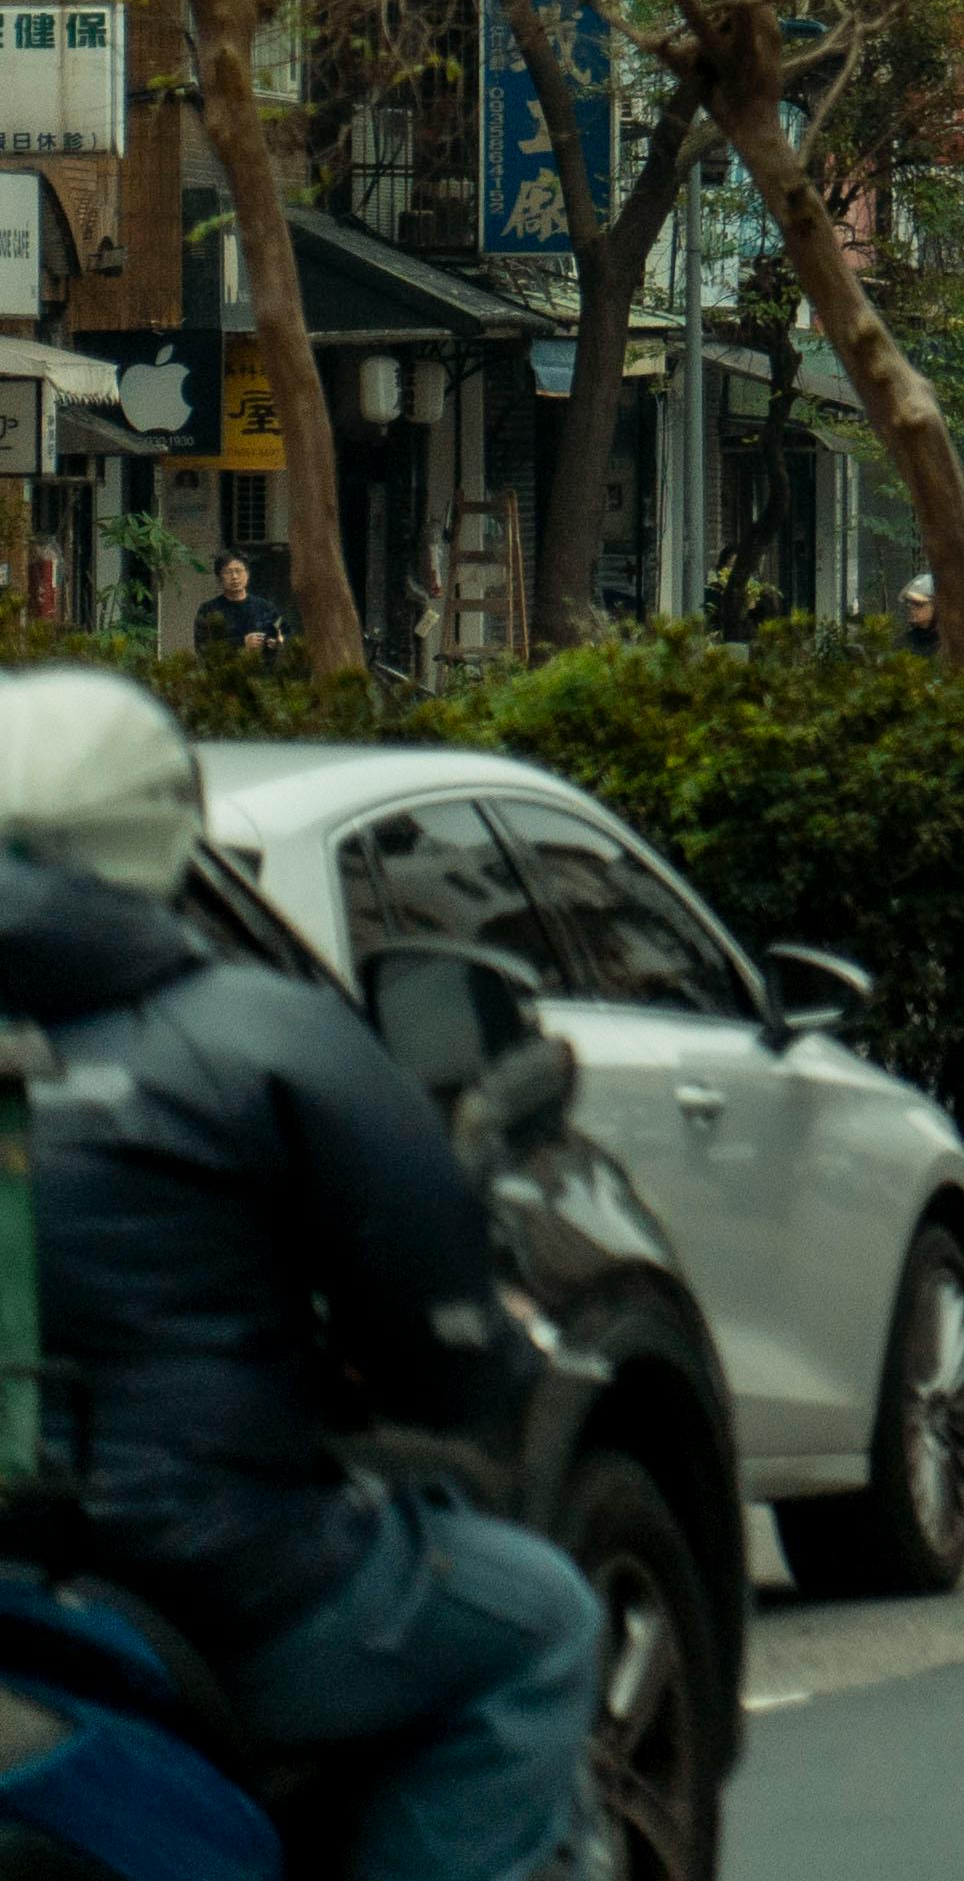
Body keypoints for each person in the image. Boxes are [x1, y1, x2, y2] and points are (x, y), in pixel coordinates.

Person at [0, 672, 600, 1881]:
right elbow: (440, 1329)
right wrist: (469, 1370)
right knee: (539, 1623)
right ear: (165, 828)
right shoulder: (265, 1035)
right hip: (217, 1576)